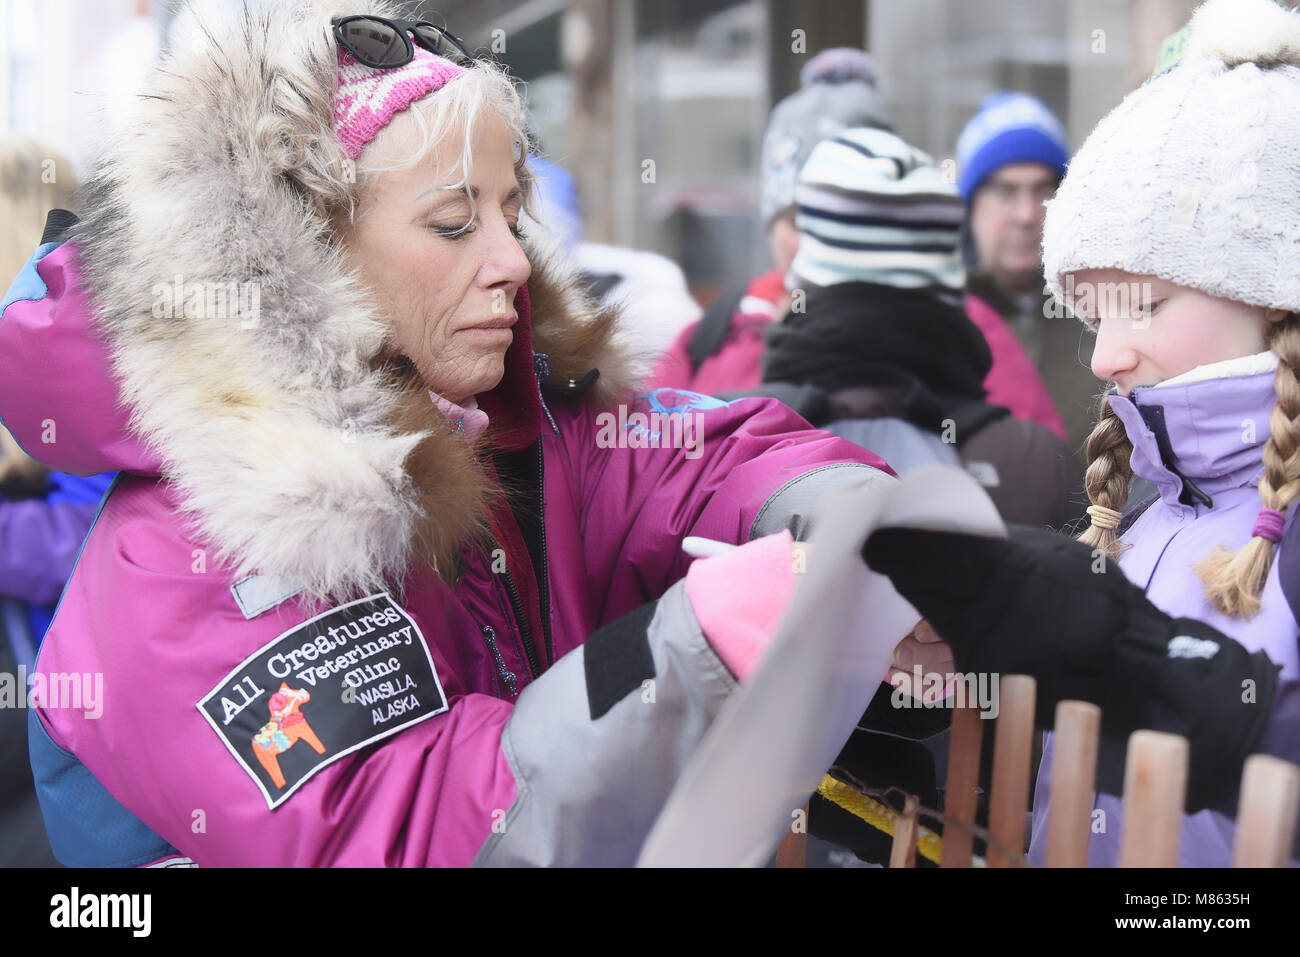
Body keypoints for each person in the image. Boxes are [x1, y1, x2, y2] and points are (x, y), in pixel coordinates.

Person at [0, 1, 897, 868]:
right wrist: (694, 644)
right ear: (303, 255)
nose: (512, 260)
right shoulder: (186, 556)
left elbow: (699, 459)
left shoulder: (502, 423)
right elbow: (422, 829)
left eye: (512, 213)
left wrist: (859, 521)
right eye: (455, 222)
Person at [868, 0, 1300, 867]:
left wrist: (1146, 668)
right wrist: (985, 669)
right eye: (1091, 314)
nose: (1107, 354)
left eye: (1144, 303)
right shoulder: (1148, 516)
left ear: (1273, 295)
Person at [761, 126, 1071, 529]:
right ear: (949, 285)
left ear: (805, 280)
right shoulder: (1032, 460)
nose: (1027, 214)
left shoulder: (736, 447)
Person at [648, 47, 892, 396]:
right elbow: (645, 438)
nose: (817, 243)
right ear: (772, 227)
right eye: (802, 221)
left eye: (839, 220)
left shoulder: (934, 330)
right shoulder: (711, 335)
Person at [957, 91, 1098, 473]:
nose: (1025, 214)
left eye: (1041, 191)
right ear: (970, 208)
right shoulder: (937, 321)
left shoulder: (1102, 315)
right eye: (1005, 191)